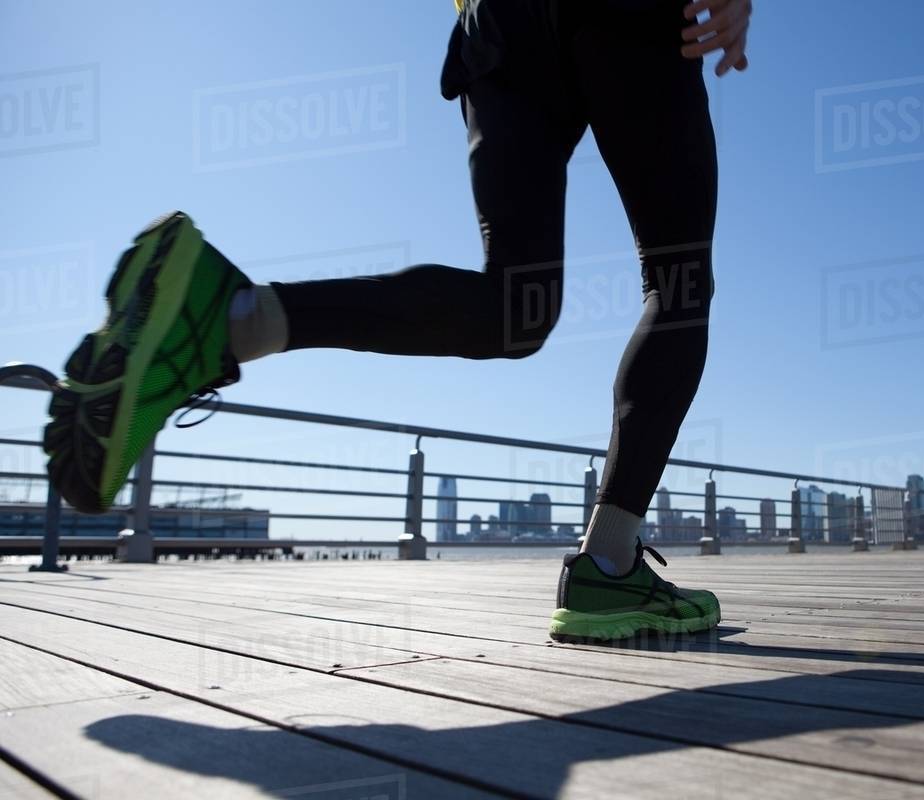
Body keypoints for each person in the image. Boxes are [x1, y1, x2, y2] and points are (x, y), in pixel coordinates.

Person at [42, 0, 752, 641]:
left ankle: (230, 321)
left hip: (496, 29)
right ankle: (609, 563)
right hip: (620, 19)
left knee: (513, 309)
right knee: (677, 282)